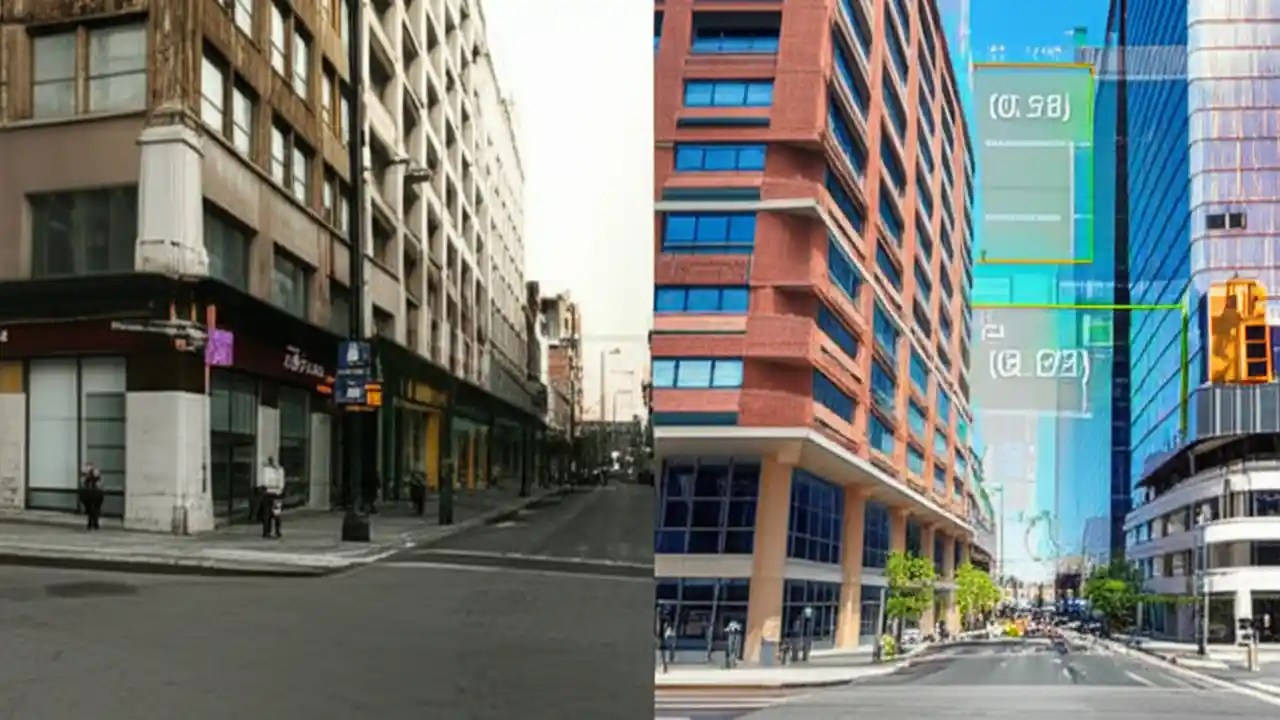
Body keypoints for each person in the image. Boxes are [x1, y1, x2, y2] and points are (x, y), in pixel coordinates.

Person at [260, 456, 284, 539]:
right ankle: (269, 532)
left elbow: (280, 483)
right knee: (269, 514)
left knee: (275, 514)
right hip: (272, 493)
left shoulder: (278, 470)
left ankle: (274, 531)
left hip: (274, 493)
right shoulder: (268, 470)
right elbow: (266, 482)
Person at [79, 464, 104, 531]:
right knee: (94, 509)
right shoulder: (94, 476)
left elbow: (85, 484)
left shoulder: (89, 478)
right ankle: (95, 523)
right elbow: (99, 484)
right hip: (95, 494)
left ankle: (92, 523)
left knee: (92, 509)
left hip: (92, 494)